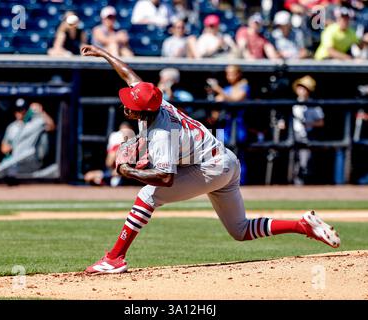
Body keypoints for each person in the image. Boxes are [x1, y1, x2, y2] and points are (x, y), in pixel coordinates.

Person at [80, 44, 341, 274]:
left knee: (148, 196)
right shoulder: (157, 102)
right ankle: (302, 225)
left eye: (130, 104)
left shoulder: (161, 134)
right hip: (225, 160)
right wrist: (103, 53)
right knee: (240, 230)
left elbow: (166, 178)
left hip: (210, 168)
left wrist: (127, 172)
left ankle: (114, 258)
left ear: (140, 111)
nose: (125, 104)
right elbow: (129, 75)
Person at [0, 100, 56, 179]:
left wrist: (41, 111)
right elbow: (4, 147)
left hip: (30, 162)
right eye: (17, 110)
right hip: (15, 162)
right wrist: (6, 149)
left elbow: (52, 126)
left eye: (22, 110)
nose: (19, 112)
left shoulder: (36, 123)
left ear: (27, 110)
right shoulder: (11, 127)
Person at [291, 75, 325, 185]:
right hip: (293, 134)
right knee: (293, 159)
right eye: (300, 87)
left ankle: (304, 185)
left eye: (304, 88)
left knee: (305, 160)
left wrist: (309, 124)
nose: (301, 90)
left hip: (307, 134)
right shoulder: (292, 103)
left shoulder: (313, 105)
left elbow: (321, 122)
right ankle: (294, 182)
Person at [84, 122, 135, 187]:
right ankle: (103, 183)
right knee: (89, 176)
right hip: (112, 173)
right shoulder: (115, 144)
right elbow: (109, 163)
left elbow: (130, 169)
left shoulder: (133, 145)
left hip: (126, 176)